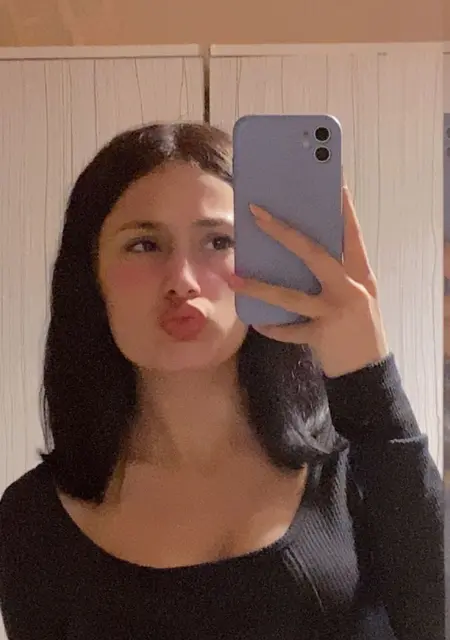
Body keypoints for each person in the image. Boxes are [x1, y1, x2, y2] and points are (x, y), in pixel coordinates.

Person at [0, 122, 443, 640]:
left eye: (218, 241)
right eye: (144, 244)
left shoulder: (361, 469)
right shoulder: (32, 520)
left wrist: (370, 374)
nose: (183, 281)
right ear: (91, 278)